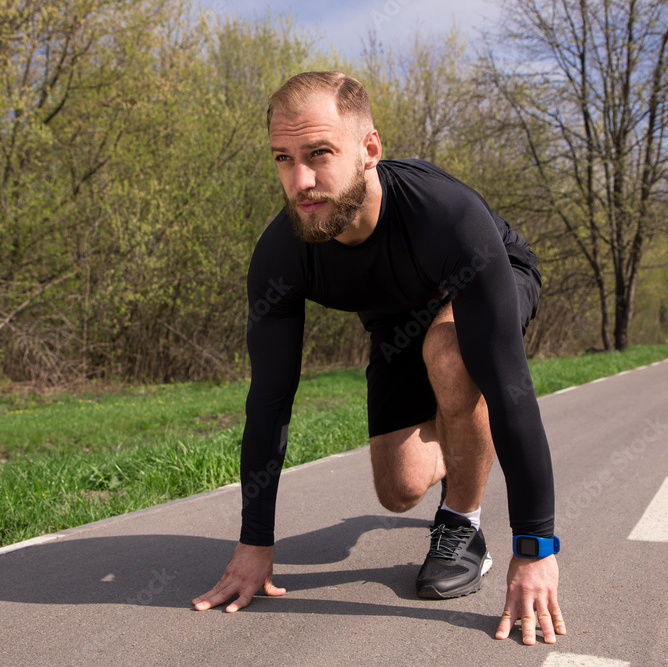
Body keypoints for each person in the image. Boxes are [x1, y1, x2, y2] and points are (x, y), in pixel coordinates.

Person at [192, 71, 565, 645]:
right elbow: (269, 401)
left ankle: (462, 526)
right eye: (283, 159)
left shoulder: (448, 217)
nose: (301, 181)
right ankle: (464, 435)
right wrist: (254, 545)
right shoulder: (281, 255)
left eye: (319, 153)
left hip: (487, 276)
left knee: (452, 353)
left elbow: (510, 386)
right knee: (399, 491)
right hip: (397, 317)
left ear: (369, 150)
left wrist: (535, 547)